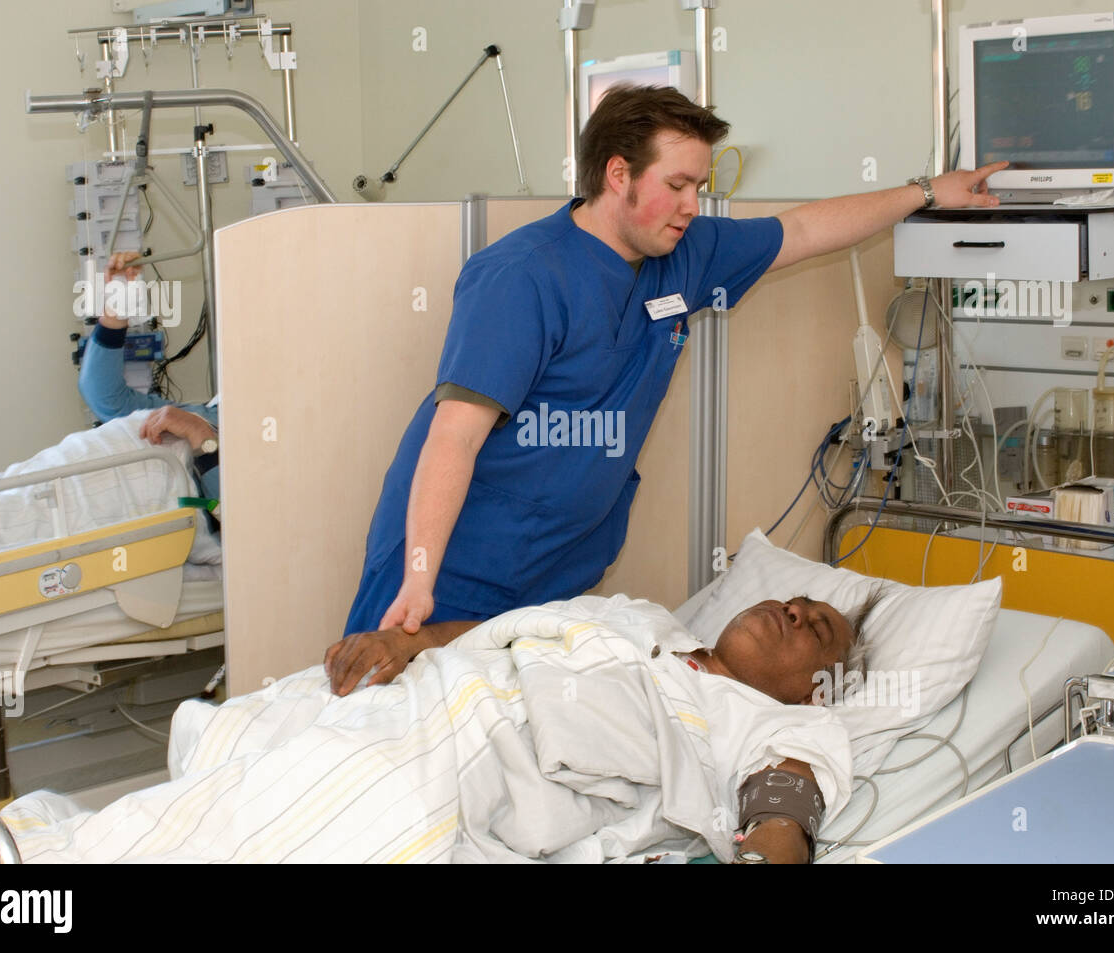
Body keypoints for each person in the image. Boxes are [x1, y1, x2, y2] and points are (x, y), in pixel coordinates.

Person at [344, 84, 1006, 638]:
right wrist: (421, 577)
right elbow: (453, 435)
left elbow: (803, 231)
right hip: (454, 570)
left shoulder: (682, 256)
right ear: (617, 174)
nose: (694, 205)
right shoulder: (520, 278)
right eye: (678, 184)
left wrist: (926, 192)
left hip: (559, 576)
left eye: (701, 185)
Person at [328, 589, 880, 863]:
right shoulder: (644, 617)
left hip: (474, 768)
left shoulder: (776, 724)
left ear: (815, 692)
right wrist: (408, 641)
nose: (791, 611)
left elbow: (782, 813)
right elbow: (510, 629)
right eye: (792, 602)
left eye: (816, 627)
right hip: (414, 699)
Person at [78, 252, 221, 509]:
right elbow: (105, 398)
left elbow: (240, 522)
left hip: (111, 501)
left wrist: (203, 439)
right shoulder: (216, 413)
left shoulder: (283, 431)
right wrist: (117, 306)